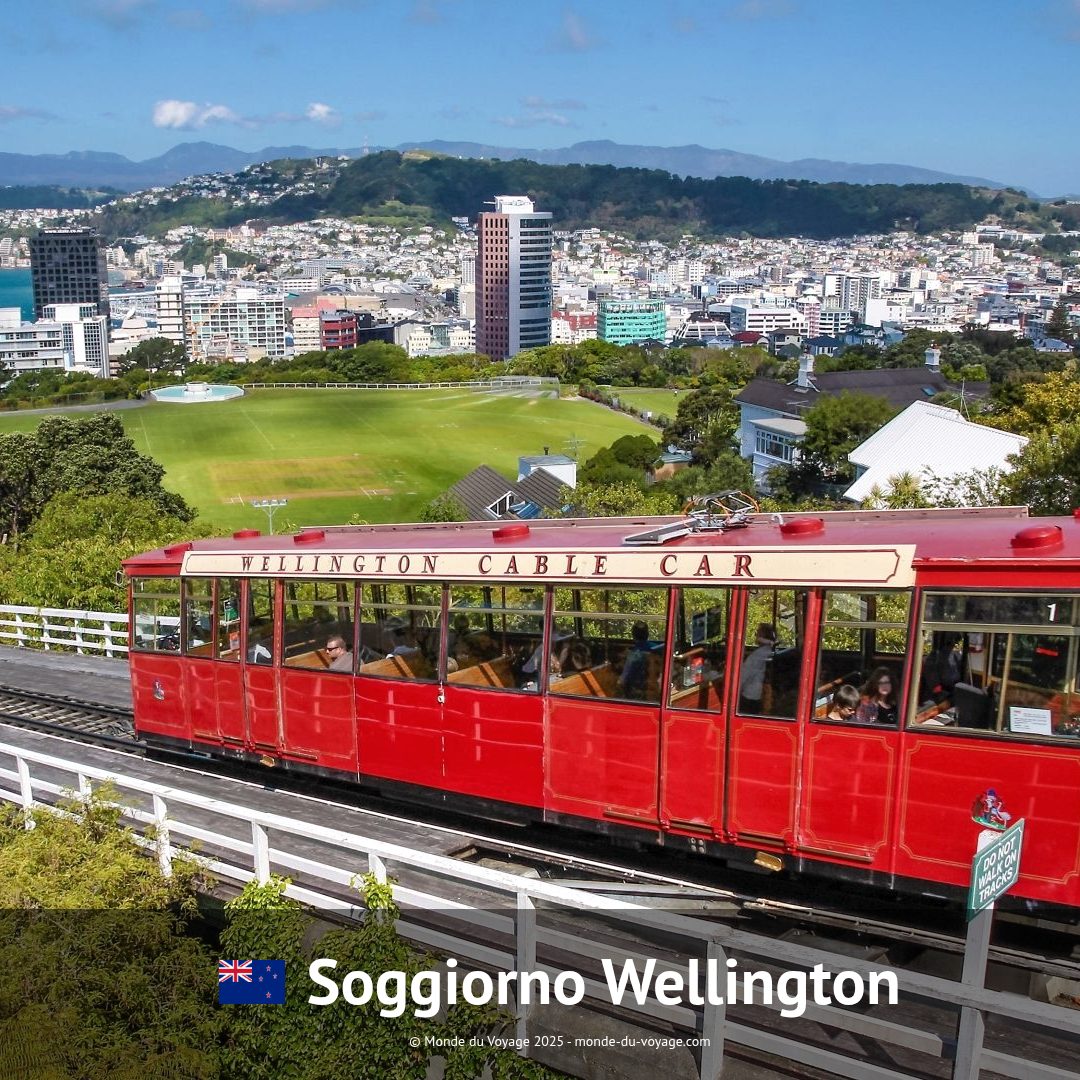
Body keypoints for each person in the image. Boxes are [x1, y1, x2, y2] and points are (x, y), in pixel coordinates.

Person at [738, 623, 776, 714]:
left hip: (751, 697)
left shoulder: (756, 656)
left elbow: (743, 677)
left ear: (762, 636)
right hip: (761, 696)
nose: (756, 635)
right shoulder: (769, 651)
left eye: (758, 633)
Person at [618, 621, 652, 701]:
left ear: (633, 636)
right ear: (647, 634)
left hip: (638, 694)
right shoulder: (658, 648)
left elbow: (623, 680)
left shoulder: (634, 656)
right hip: (654, 689)